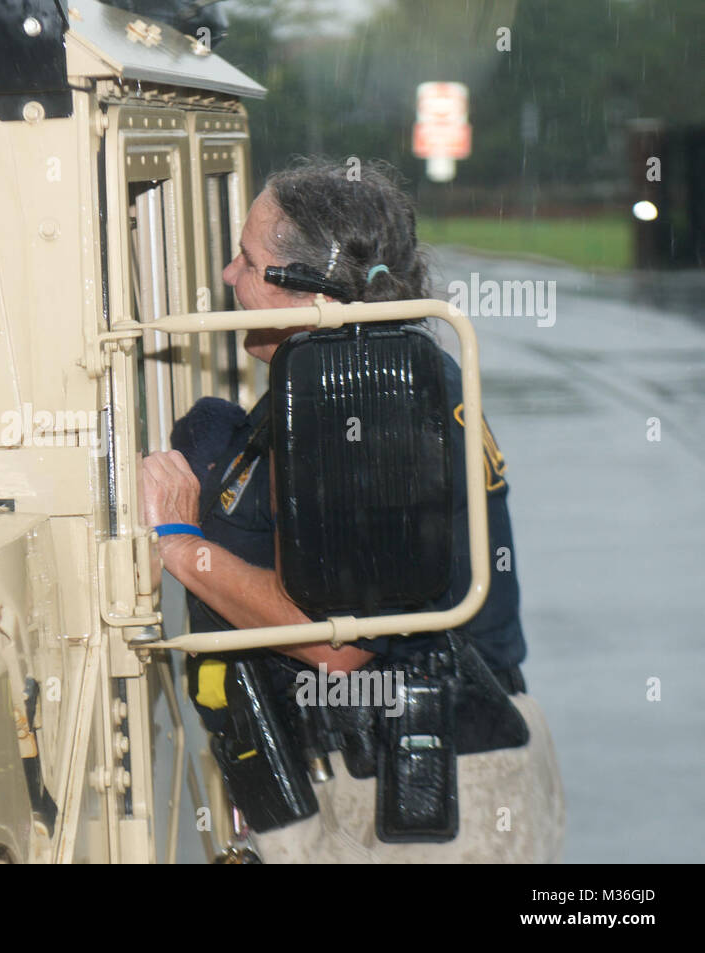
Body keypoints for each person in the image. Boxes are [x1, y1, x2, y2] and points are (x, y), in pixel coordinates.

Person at [142, 158, 565, 863]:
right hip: (418, 776)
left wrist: (185, 544)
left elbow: (334, 645)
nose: (226, 275)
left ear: (301, 289)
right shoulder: (375, 366)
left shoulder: (359, 396)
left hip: (427, 793)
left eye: (246, 259)